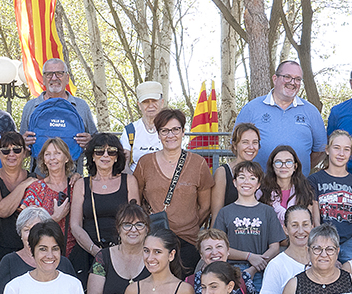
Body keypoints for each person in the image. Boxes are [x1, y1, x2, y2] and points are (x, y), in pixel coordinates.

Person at [133, 108, 213, 271]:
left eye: (175, 129)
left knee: (184, 289)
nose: (170, 135)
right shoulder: (145, 163)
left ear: (183, 131)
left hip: (187, 242)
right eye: (165, 130)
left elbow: (206, 206)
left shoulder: (198, 164)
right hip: (154, 240)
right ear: (158, 134)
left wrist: (189, 225)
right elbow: (136, 199)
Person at [235, 60, 327, 171]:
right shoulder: (252, 108)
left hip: (298, 185)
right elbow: (237, 145)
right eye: (287, 77)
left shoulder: (311, 111)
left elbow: (320, 150)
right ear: (275, 79)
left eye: (297, 79)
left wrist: (298, 172)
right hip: (259, 184)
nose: (292, 82)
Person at [214, 160, 285, 292]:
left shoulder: (267, 211)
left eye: (252, 178)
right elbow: (219, 247)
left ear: (258, 185)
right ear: (235, 182)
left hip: (261, 270)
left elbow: (275, 248)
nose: (246, 182)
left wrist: (254, 267)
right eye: (242, 177)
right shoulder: (225, 212)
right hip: (232, 271)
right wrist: (249, 256)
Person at [70, 132, 139, 263]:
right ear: (92, 156)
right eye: (99, 151)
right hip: (88, 251)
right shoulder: (81, 184)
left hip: (123, 251)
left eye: (111, 151)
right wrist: (96, 251)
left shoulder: (129, 181)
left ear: (117, 157)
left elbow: (135, 220)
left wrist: (120, 251)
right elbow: (75, 225)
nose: (105, 155)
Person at [22, 137, 85, 273]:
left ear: (66, 158)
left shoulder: (77, 186)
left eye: (57, 153)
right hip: (44, 258)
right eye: (48, 154)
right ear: (43, 160)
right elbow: (26, 228)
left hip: (76, 256)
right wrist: (53, 218)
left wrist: (78, 177)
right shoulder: (36, 189)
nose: (52, 158)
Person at [308, 130, 352, 263]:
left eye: (346, 149)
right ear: (327, 150)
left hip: (350, 243)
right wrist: (323, 246)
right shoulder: (314, 180)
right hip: (323, 242)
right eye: (336, 148)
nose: (341, 154)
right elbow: (315, 221)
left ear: (351, 153)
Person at [19, 58, 99, 154]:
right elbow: (22, 147)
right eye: (49, 74)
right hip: (39, 168)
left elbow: (96, 141)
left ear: (67, 78)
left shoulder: (81, 106)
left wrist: (90, 141)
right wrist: (23, 144)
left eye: (59, 73)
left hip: (74, 168)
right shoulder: (30, 107)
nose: (54, 78)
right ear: (43, 79)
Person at [0, 131, 35, 268]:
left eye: (16, 150)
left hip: (26, 252)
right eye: (5, 151)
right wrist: (24, 185)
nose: (11, 154)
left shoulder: (35, 178)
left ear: (24, 153)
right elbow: (1, 210)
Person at [210, 123, 261, 224]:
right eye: (245, 142)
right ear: (235, 145)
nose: (251, 147)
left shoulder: (259, 172)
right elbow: (216, 215)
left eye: (255, 142)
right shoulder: (223, 172)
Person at [262, 145, 315, 227]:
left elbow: (309, 223)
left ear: (295, 167)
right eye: (278, 162)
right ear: (272, 166)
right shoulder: (262, 191)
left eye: (289, 162)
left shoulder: (305, 190)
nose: (284, 166)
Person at [123, 81, 165, 172]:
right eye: (146, 102)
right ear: (139, 105)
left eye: (154, 101)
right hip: (136, 182)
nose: (150, 106)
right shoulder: (130, 131)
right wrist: (133, 183)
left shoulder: (171, 129)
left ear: (162, 102)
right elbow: (124, 164)